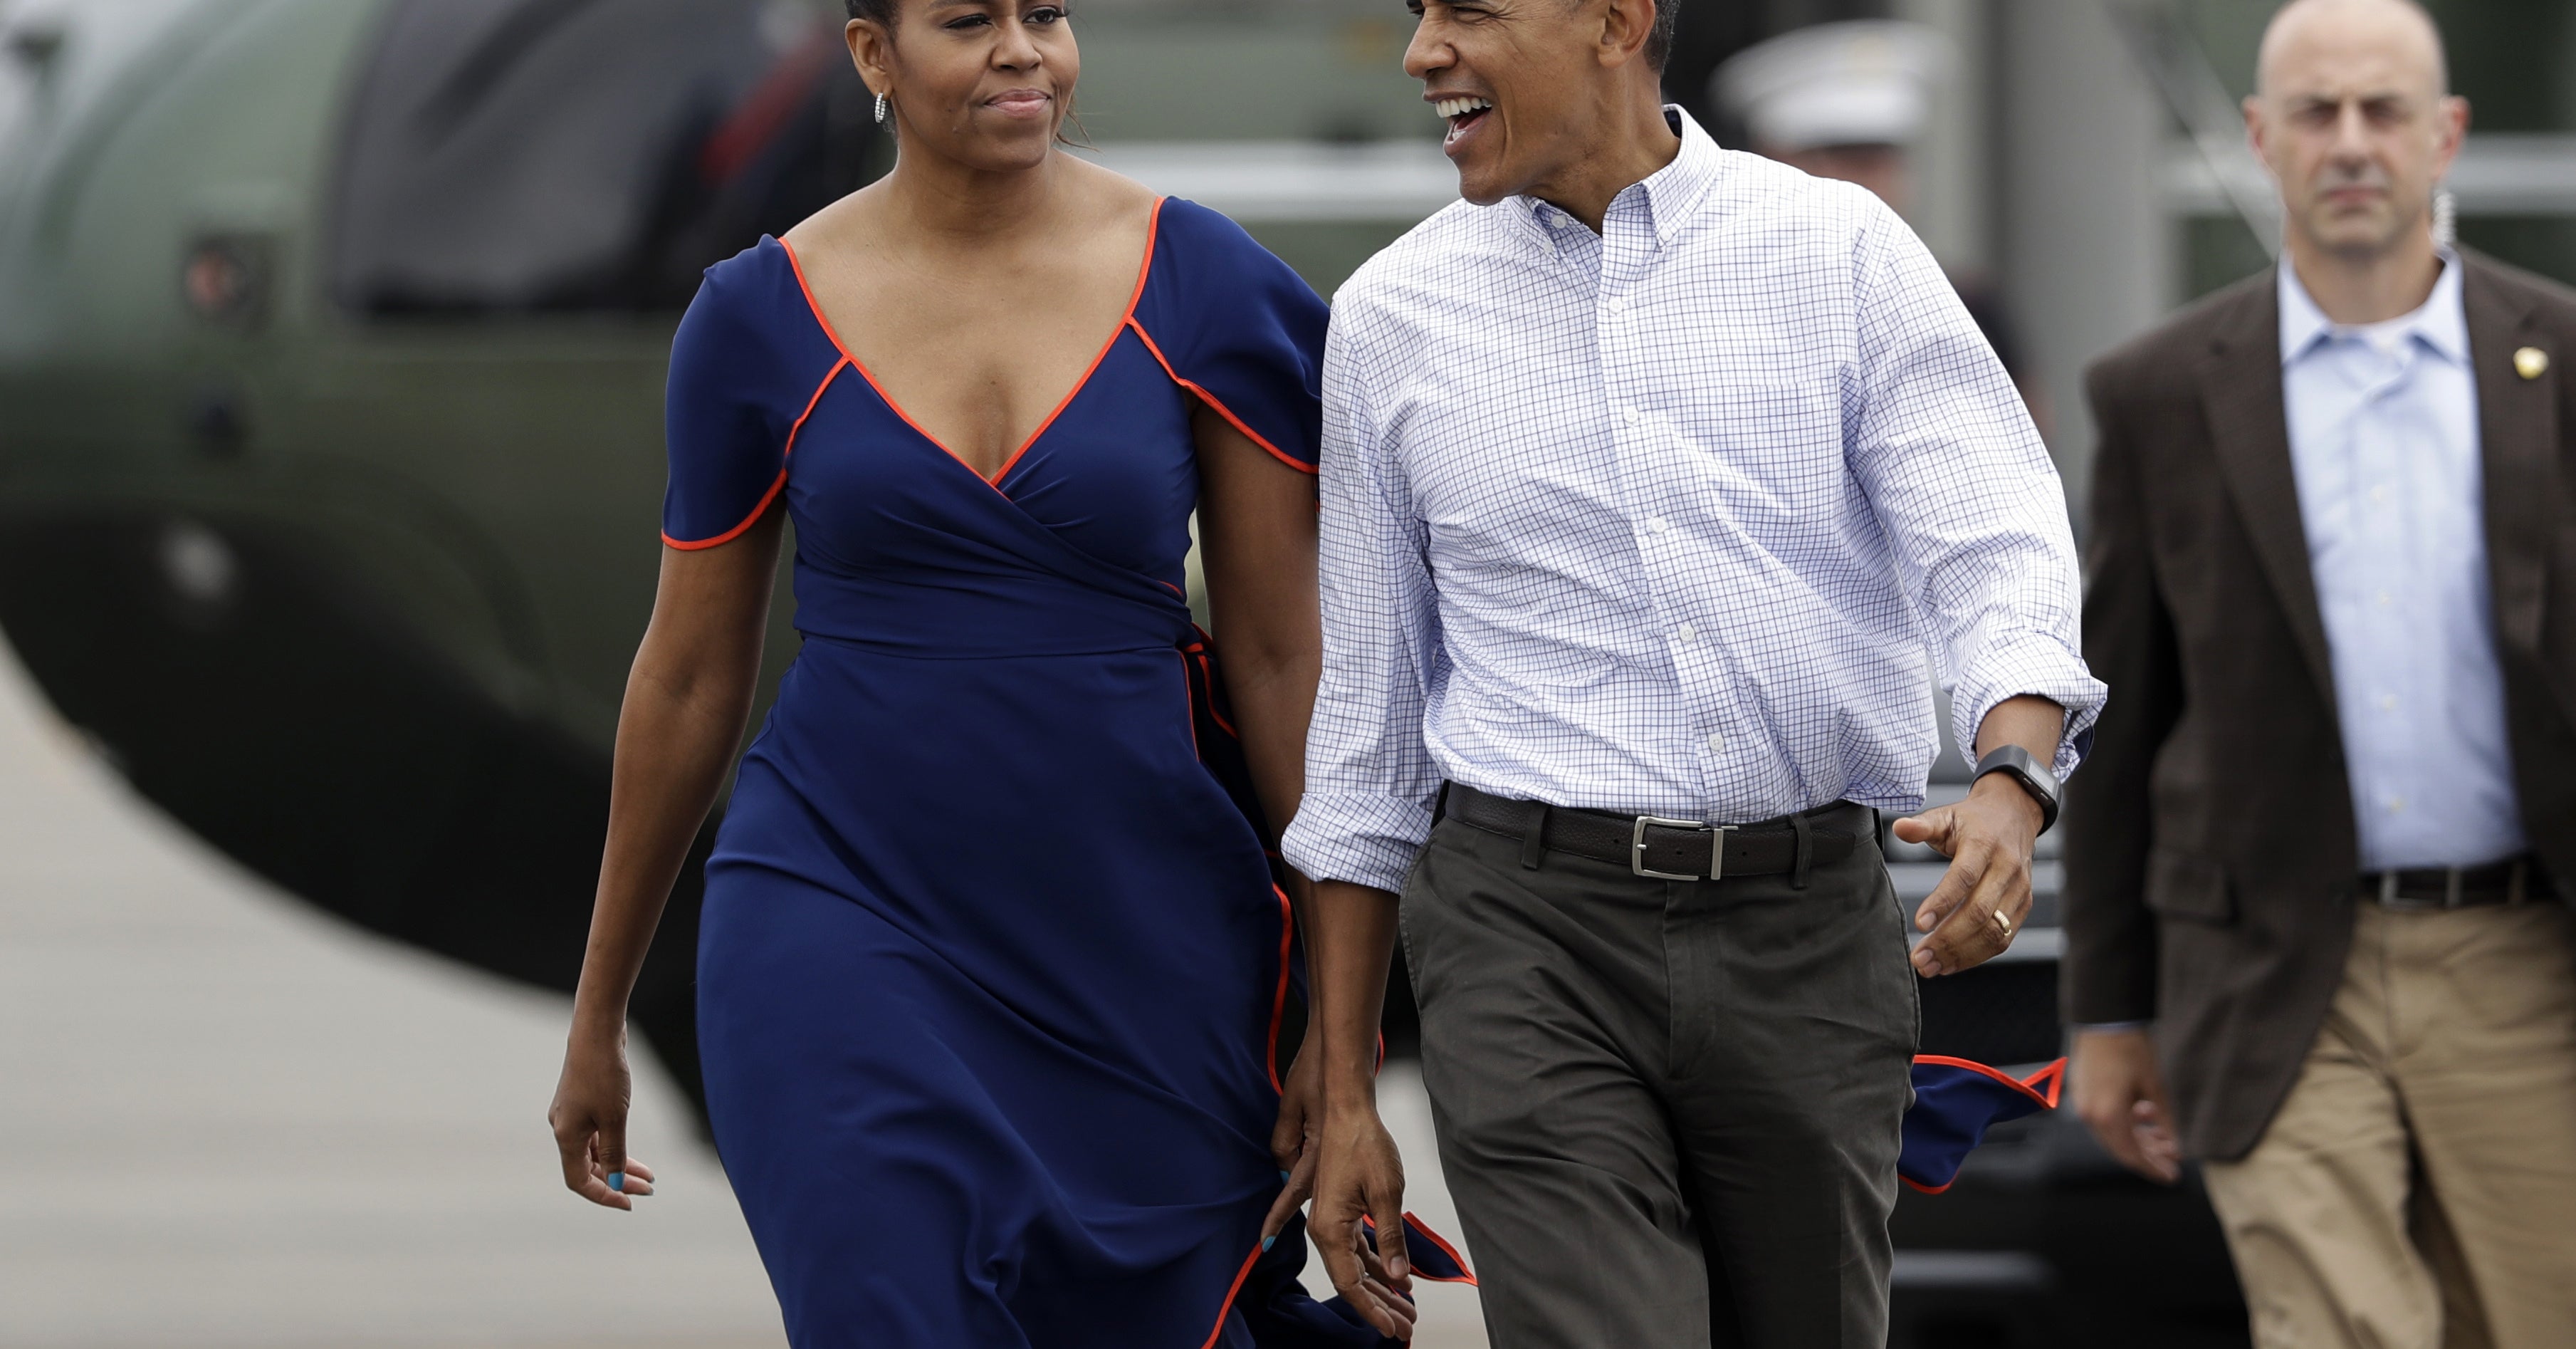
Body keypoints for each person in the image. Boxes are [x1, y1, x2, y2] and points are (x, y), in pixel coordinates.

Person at [540, 1, 1404, 1343]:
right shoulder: (756, 316)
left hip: (1140, 933)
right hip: (838, 899)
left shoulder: (1202, 282)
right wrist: (597, 1010)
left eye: (1043, 12)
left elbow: (1286, 662)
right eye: (966, 19)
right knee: (881, 1300)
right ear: (870, 54)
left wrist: (1342, 1046)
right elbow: (688, 678)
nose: (1021, 49)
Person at [1283, 0, 2105, 1344]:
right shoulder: (1388, 318)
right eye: (1416, 12)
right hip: (1522, 934)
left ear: (1615, 21)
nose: (1423, 50)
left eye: (1467, 8)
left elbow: (1993, 544)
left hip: (1808, 933)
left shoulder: (1840, 252)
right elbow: (1365, 744)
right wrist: (1341, 1093)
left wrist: (2012, 776)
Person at [2065, 1, 2576, 1345]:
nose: (2350, 143)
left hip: (2525, 960)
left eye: (2382, 110)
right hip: (2271, 966)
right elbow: (2120, 718)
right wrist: (2107, 1011)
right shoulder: (2159, 392)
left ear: (2444, 134)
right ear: (2259, 135)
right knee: (2342, 1326)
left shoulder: (2560, 361)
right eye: (2314, 111)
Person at [1712, 20, 2043, 432]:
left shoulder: (1968, 302)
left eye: (1889, 159)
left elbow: (2022, 441)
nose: (1880, 182)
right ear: (1776, 159)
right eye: (1853, 160)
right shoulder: (1719, 300)